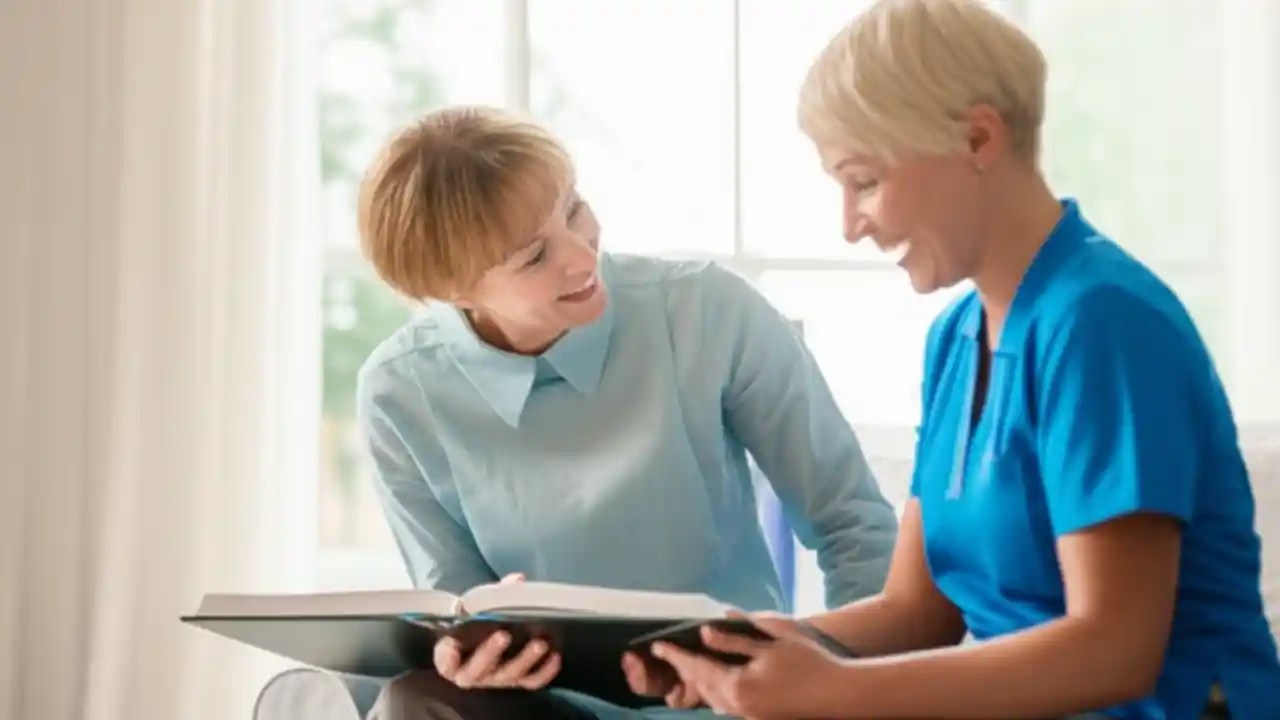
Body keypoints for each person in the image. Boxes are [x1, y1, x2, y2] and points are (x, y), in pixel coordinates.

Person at [626, 1, 1280, 718]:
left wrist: (836, 693)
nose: (850, 226)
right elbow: (917, 612)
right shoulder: (957, 338)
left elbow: (1113, 649)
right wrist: (752, 651)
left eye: (864, 181)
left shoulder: (1101, 321)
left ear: (976, 138)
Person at [353, 105, 899, 720]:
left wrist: (851, 690)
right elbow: (455, 607)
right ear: (456, 289)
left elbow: (852, 524)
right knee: (411, 701)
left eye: (574, 209)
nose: (582, 256)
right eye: (534, 257)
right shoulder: (400, 392)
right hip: (543, 709)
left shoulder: (704, 311)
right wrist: (466, 655)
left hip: (733, 703)